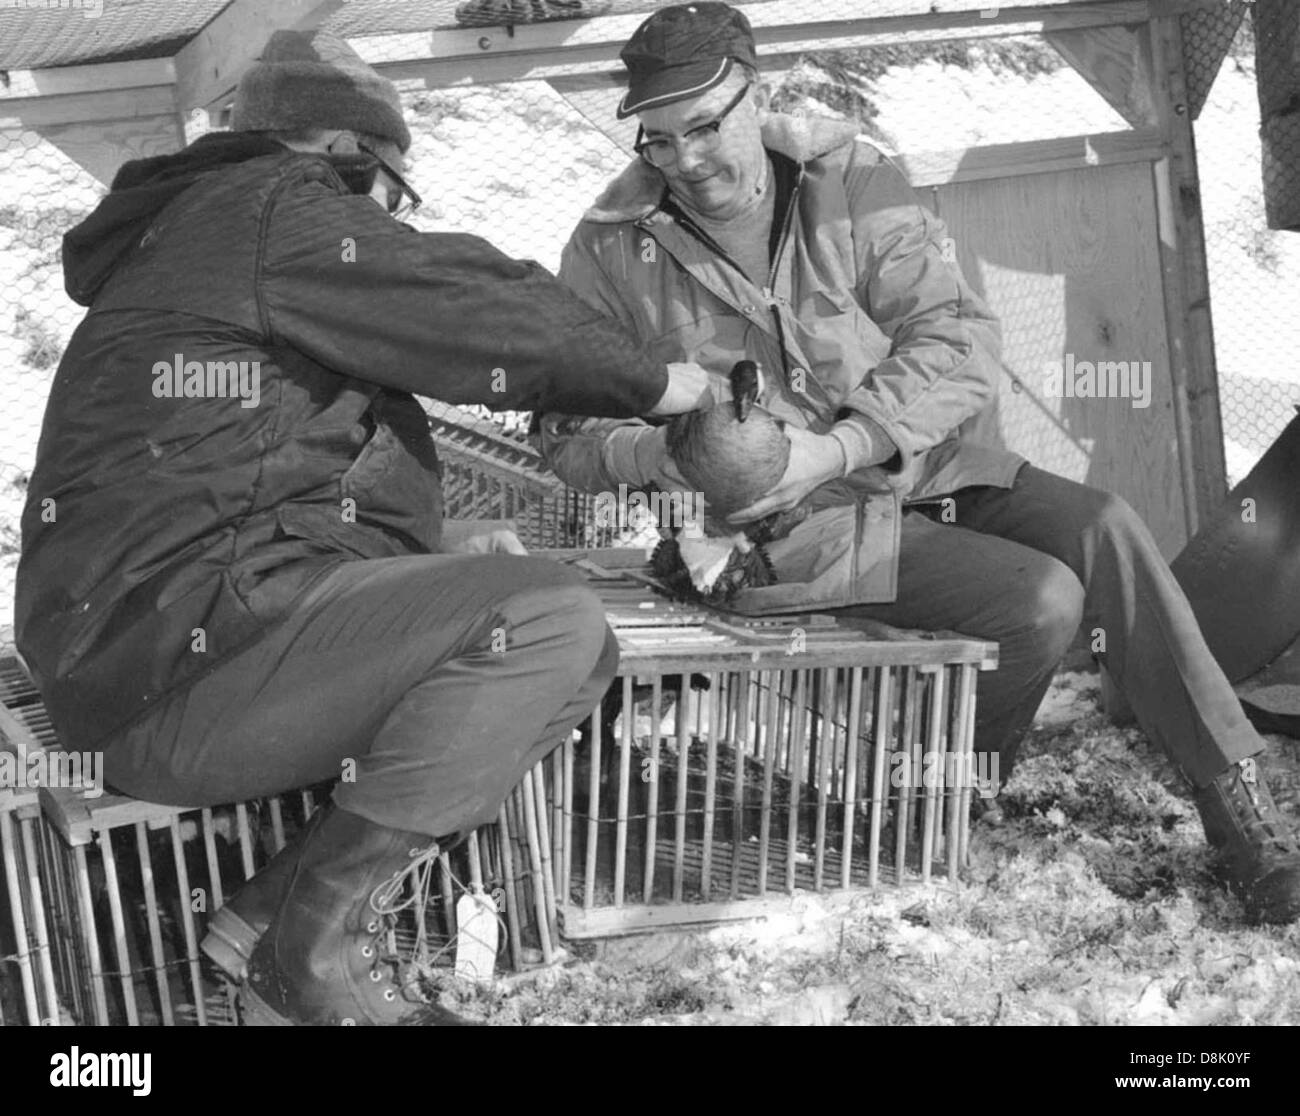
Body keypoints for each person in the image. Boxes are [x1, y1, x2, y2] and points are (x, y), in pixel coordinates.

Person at [538, 1, 1300, 925]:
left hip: (922, 471)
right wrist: (666, 451)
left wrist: (845, 442)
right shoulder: (611, 244)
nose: (687, 160)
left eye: (705, 126)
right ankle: (928, 808)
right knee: (1038, 601)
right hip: (779, 531)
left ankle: (1238, 812)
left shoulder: (847, 178)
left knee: (1103, 525)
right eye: (658, 141)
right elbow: (563, 430)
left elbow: (960, 337)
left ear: (757, 93)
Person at [15, 29, 719, 1026]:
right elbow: (475, 305)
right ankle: (311, 962)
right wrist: (659, 380)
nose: (393, 223)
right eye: (395, 195)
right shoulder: (272, 206)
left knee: (570, 658)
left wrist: (424, 564)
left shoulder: (197, 239)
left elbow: (256, 486)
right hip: (170, 670)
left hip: (150, 649)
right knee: (548, 626)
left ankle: (265, 925)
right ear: (345, 154)